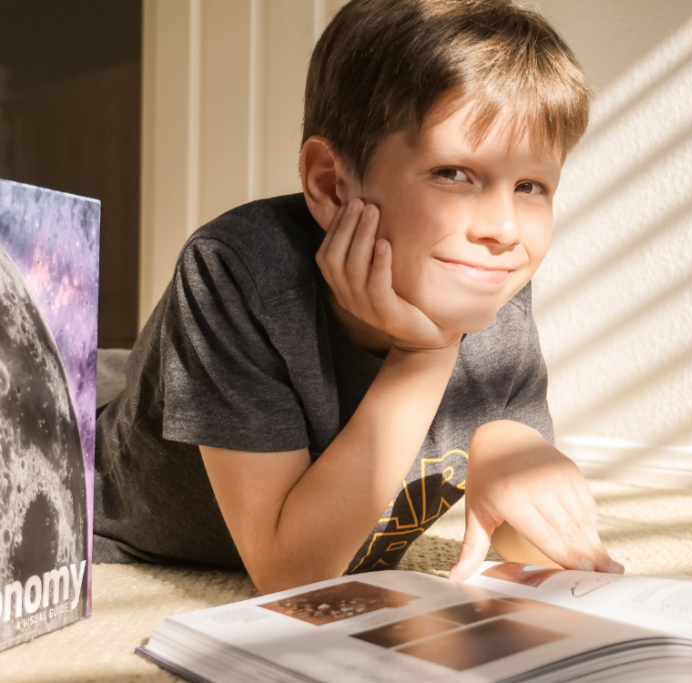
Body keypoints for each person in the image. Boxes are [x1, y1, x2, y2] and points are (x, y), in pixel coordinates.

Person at [94, 0, 624, 595]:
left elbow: (527, 544)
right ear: (331, 183)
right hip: (86, 458)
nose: (502, 229)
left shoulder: (485, 286)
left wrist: (512, 450)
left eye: (531, 186)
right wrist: (424, 356)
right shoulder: (237, 269)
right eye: (454, 173)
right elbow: (291, 575)